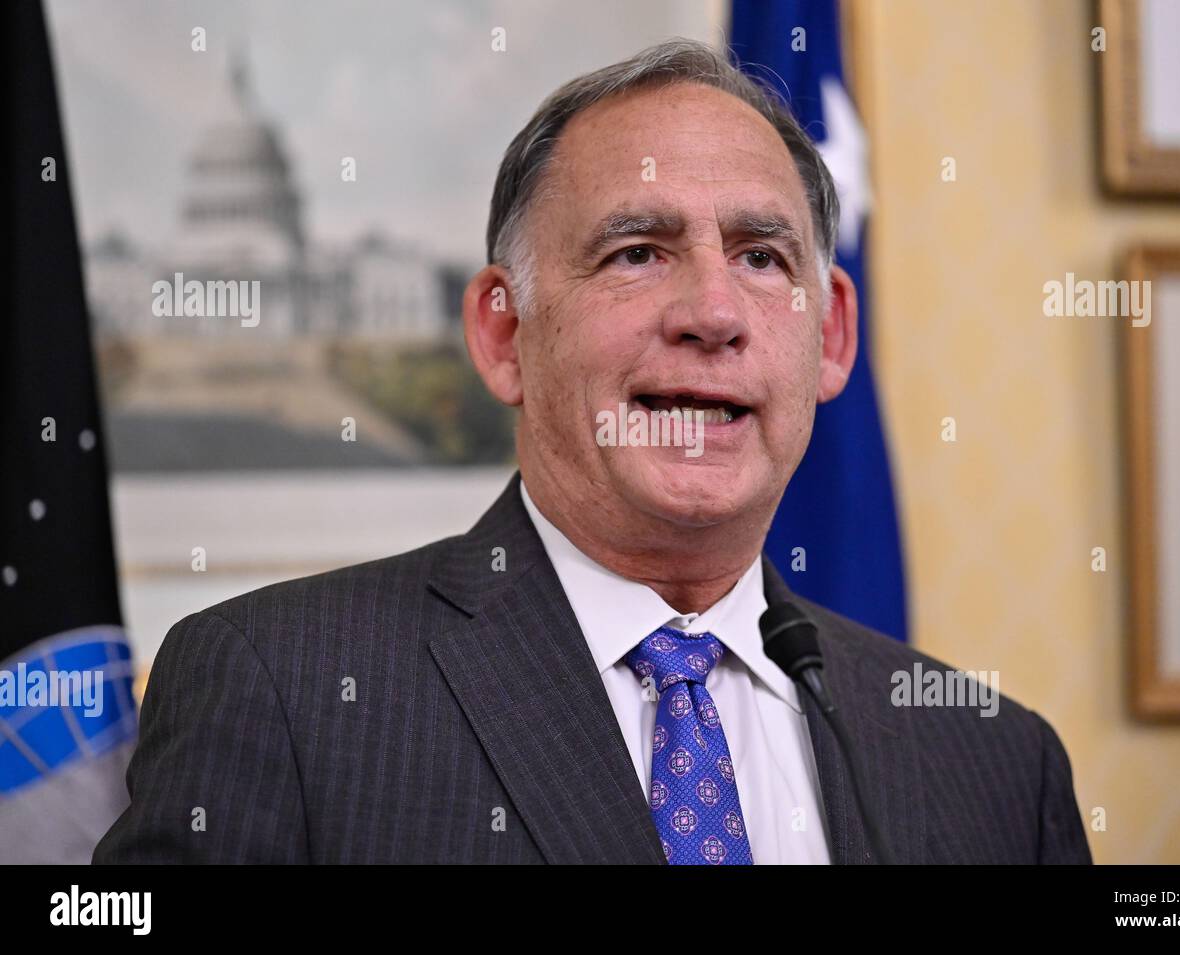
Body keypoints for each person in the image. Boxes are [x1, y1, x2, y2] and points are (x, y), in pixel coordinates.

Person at [94, 38, 1091, 865]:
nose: (712, 312)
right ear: (502, 333)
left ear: (829, 336)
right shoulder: (277, 691)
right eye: (637, 252)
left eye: (760, 256)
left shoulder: (996, 763)